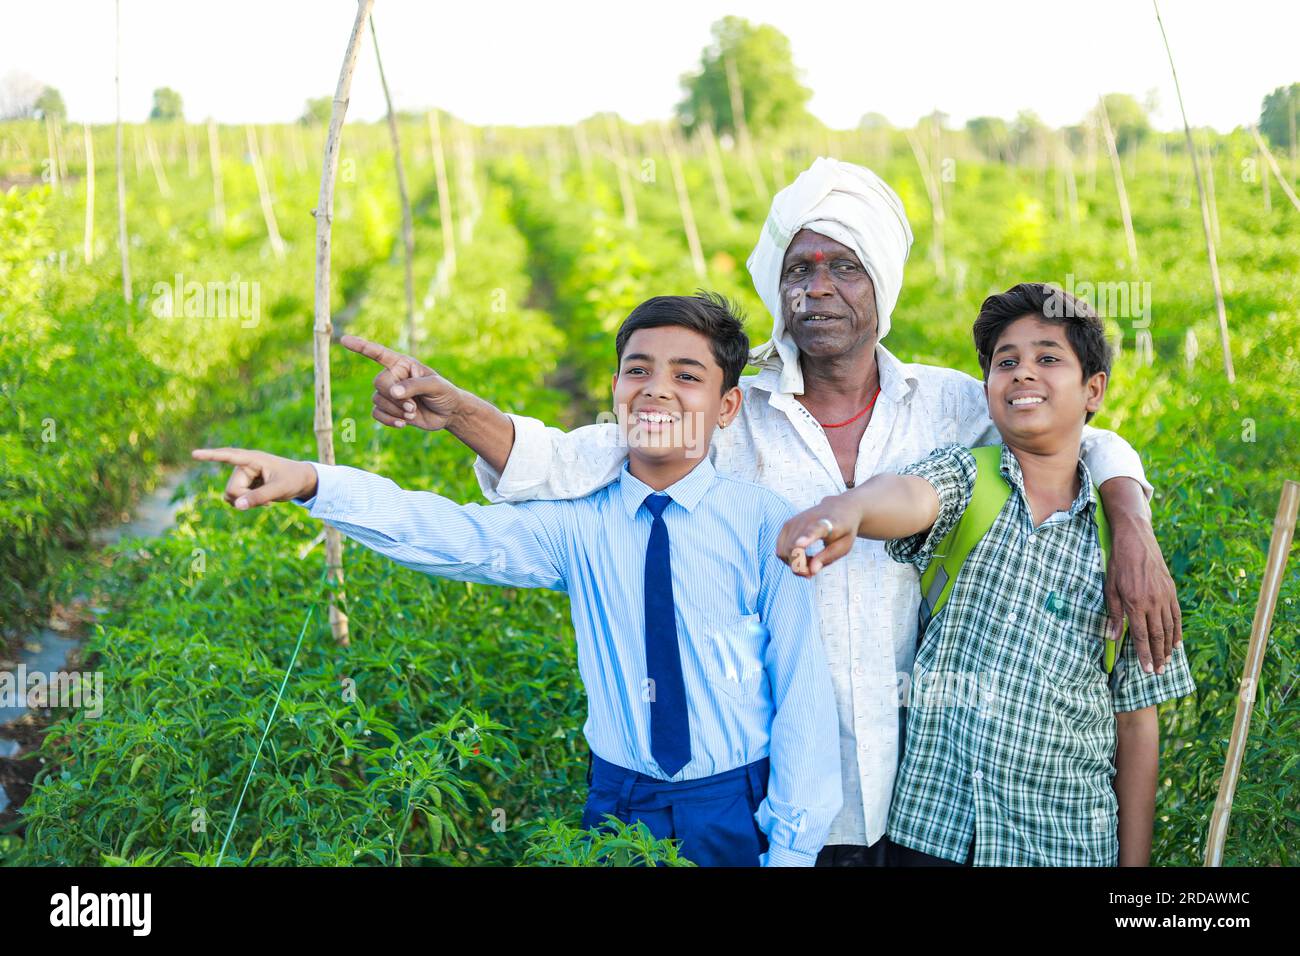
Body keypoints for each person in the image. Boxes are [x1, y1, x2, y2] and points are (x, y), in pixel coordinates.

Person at [344, 158, 1183, 865]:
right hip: (765, 777)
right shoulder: (724, 408)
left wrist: (1129, 519)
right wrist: (457, 411)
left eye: (842, 268)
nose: (817, 289)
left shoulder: (950, 404)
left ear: (880, 285)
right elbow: (575, 457)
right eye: (798, 269)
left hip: (915, 784)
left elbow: (1069, 434)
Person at [193, 293, 841, 867]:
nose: (657, 389)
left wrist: (791, 847)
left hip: (731, 801)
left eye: (687, 375)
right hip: (619, 798)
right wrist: (314, 481)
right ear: (615, 388)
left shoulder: (766, 526)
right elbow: (450, 534)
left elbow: (802, 698)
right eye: (638, 370)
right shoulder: (579, 523)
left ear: (727, 406)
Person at [777, 283, 1195, 866]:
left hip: (1063, 839)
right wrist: (846, 509)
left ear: (1092, 389)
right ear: (988, 388)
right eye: (1007, 362)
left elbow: (1136, 722)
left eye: (1048, 358)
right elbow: (907, 495)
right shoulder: (969, 480)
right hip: (933, 833)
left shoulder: (1127, 554)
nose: (1024, 373)